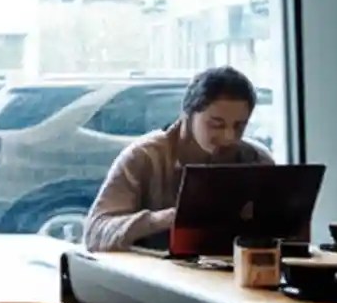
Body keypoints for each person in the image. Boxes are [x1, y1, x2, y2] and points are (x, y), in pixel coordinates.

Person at [83, 66, 274, 252]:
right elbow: (95, 233)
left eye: (240, 126)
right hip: (158, 277)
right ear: (188, 114)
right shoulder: (144, 157)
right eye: (216, 125)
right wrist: (169, 218)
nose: (229, 137)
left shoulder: (256, 158)